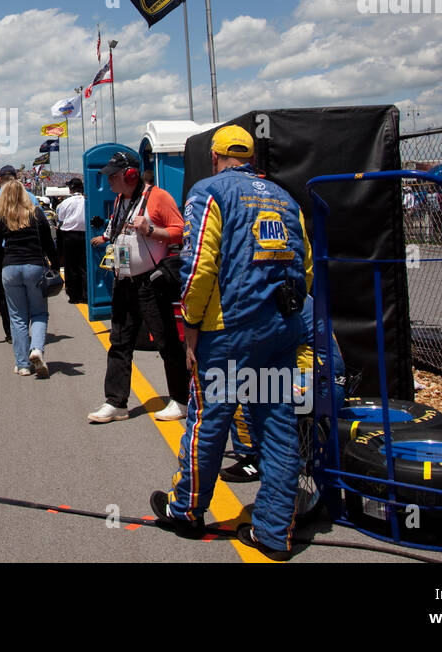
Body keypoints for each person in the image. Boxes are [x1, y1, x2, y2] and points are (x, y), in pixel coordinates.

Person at [149, 126, 311, 561]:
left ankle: (186, 510)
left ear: (217, 157)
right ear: (251, 157)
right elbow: (306, 269)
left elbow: (199, 264)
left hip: (228, 332)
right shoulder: (285, 197)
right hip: (280, 330)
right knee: (277, 425)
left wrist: (192, 323)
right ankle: (274, 532)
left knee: (209, 422)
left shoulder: (210, 191)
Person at [86, 149, 188, 424]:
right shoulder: (120, 199)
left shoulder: (158, 197)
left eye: (113, 176)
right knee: (119, 342)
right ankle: (115, 402)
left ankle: (181, 399)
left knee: (166, 341)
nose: (109, 181)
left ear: (129, 175)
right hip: (124, 282)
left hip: (150, 283)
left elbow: (181, 230)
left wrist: (151, 230)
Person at [0, 180, 59, 377]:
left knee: (17, 317)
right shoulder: (36, 213)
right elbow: (48, 242)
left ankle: (22, 365)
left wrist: (4, 261)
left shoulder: (3, 216)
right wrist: (55, 265)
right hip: (35, 266)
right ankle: (36, 348)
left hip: (11, 267)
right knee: (38, 313)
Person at [0, 165, 40, 343]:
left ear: (0, 180)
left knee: (4, 292)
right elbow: (41, 224)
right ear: (16, 178)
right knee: (30, 291)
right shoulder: (31, 197)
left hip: (3, 251)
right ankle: (25, 328)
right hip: (29, 248)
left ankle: (11, 332)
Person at [55, 177, 87, 304]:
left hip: (69, 236)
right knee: (84, 266)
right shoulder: (87, 200)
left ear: (71, 189)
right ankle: (86, 294)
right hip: (85, 235)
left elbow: (61, 220)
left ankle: (74, 295)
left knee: (71, 266)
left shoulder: (65, 203)